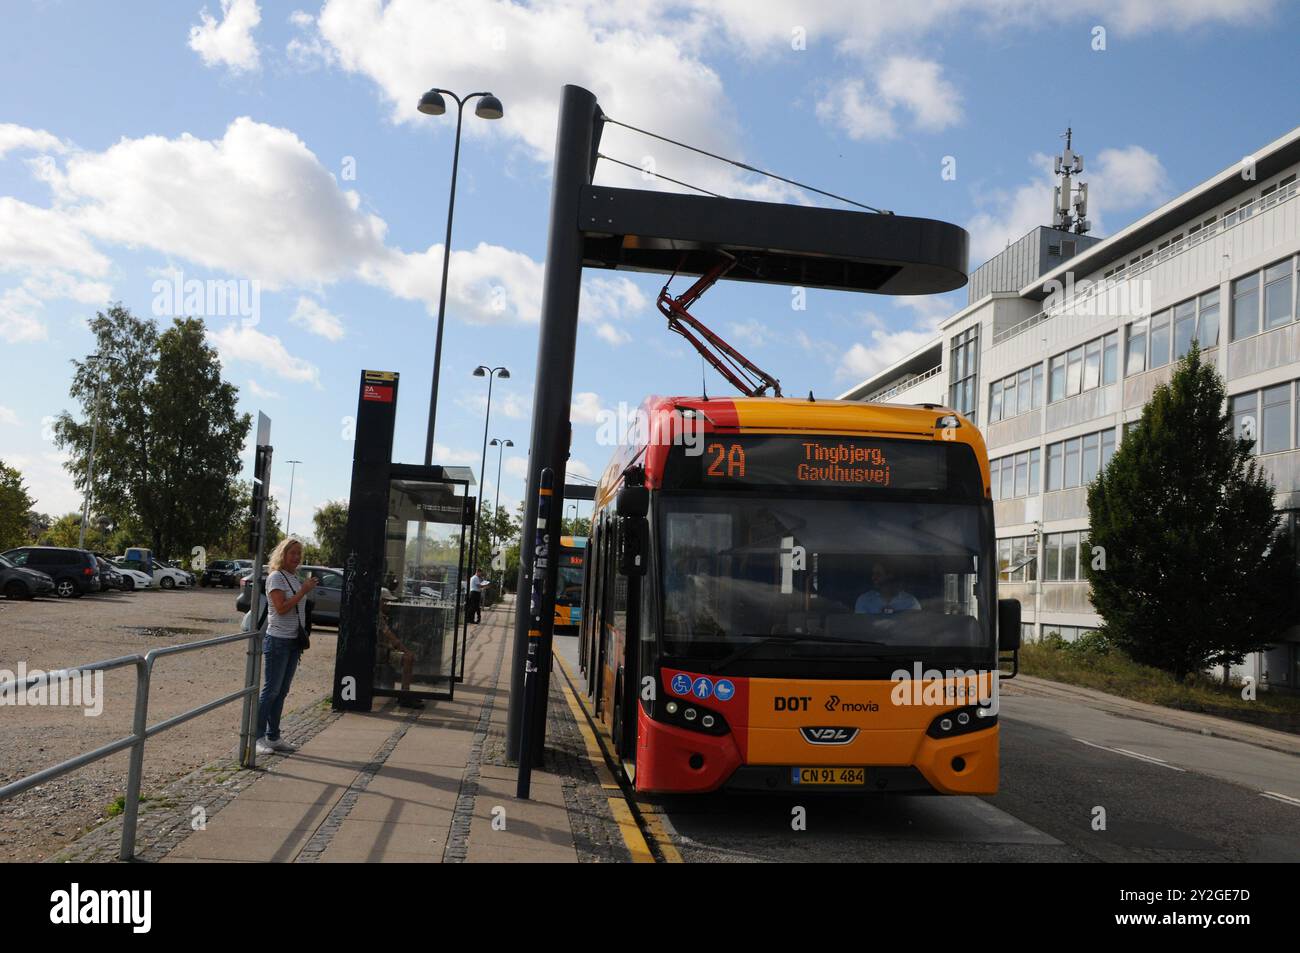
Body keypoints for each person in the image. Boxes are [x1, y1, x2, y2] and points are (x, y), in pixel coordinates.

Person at [255, 538, 317, 756]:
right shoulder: (276, 577)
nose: (297, 557)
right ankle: (258, 737)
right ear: (283, 554)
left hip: (292, 642)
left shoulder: (294, 578)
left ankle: (274, 736)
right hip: (278, 640)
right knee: (270, 691)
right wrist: (303, 591)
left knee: (282, 692)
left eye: (299, 553)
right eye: (293, 553)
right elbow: (281, 608)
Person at [854, 562, 920, 615]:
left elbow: (913, 627)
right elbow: (861, 627)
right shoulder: (864, 600)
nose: (873, 578)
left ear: (890, 575)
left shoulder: (910, 602)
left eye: (878, 574)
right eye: (873, 574)